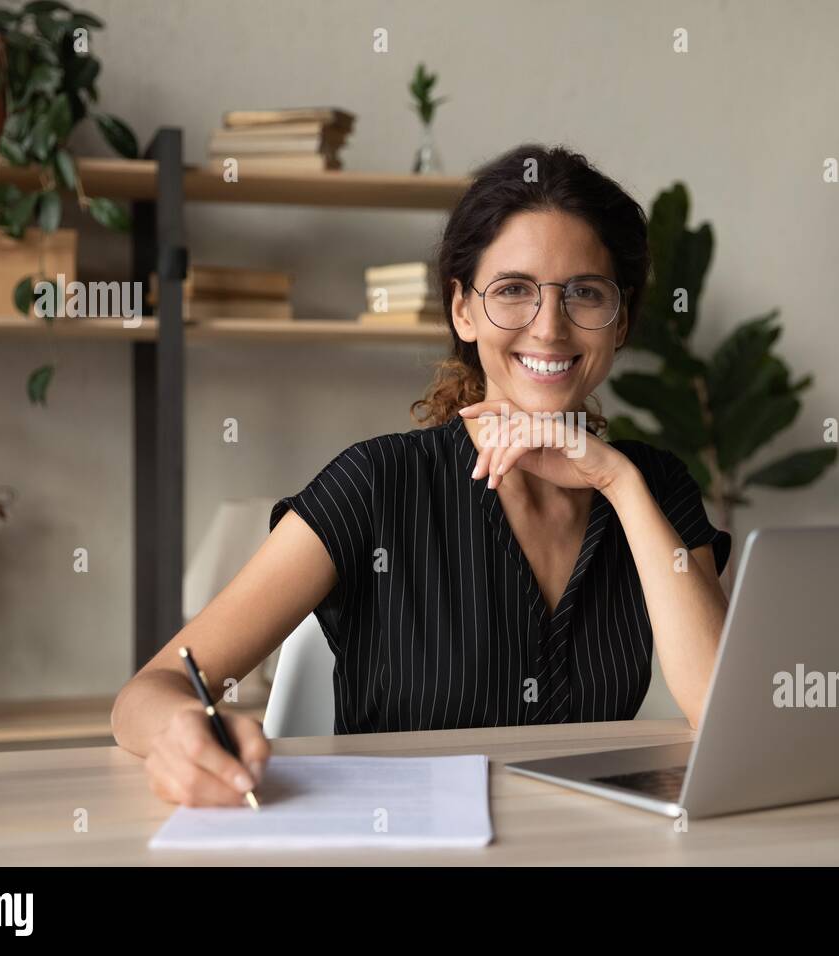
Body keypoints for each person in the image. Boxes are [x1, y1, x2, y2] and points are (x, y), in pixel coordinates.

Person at [112, 144, 731, 807]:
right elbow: (145, 695)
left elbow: (720, 711)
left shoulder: (653, 487)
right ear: (462, 310)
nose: (549, 327)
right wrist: (181, 732)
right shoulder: (376, 484)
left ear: (622, 319)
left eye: (585, 292)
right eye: (514, 290)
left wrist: (619, 484)